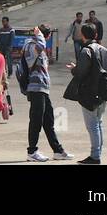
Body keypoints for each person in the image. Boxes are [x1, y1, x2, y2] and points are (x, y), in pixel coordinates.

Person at [66, 22, 107, 164]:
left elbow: (81, 72)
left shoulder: (86, 51)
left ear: (82, 35)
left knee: (92, 125)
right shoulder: (105, 50)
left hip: (90, 94)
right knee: (98, 123)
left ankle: (95, 156)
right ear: (96, 35)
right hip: (103, 92)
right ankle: (97, 153)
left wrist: (74, 69)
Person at [23, 23, 73, 162]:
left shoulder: (38, 47)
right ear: (48, 35)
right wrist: (39, 35)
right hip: (35, 88)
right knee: (36, 120)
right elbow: (41, 46)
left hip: (43, 89)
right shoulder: (31, 46)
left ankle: (57, 150)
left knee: (48, 120)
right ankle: (32, 151)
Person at [0, 16, 16, 116]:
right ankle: (2, 73)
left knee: (8, 61)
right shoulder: (1, 30)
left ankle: (10, 72)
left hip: (8, 48)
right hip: (2, 48)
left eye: (4, 21)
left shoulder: (11, 30)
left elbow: (12, 39)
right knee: (1, 61)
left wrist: (9, 47)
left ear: (7, 21)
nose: (3, 23)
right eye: (2, 21)